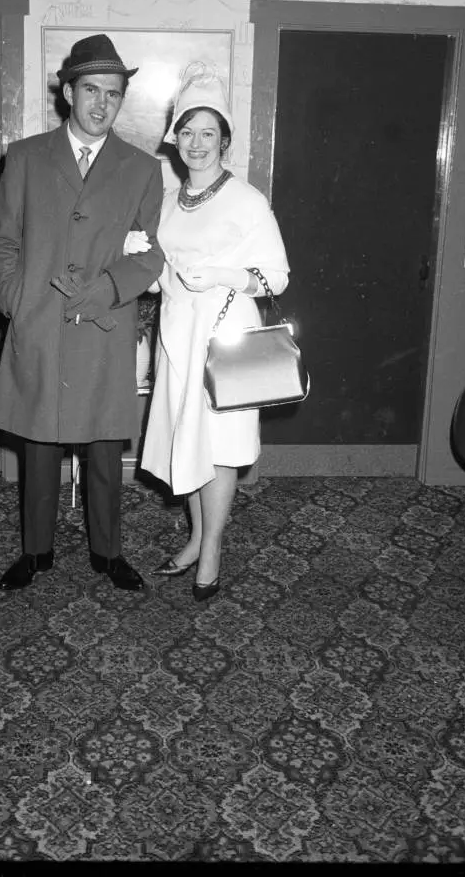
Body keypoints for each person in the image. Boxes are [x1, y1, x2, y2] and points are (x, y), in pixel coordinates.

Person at [0, 33, 165, 592]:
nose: (101, 104)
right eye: (91, 90)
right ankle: (36, 551)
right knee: (39, 444)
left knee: (105, 449)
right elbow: (1, 243)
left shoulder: (141, 168)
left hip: (105, 327)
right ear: (68, 92)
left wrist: (110, 287)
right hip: (38, 322)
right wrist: (18, 298)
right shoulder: (26, 156)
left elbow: (152, 252)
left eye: (113, 94)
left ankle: (107, 553)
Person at [140, 65, 289, 601]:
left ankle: (212, 549)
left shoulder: (246, 201)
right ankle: (196, 534)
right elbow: (165, 283)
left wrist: (226, 275)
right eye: (187, 131)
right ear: (174, 139)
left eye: (208, 133)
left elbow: (276, 276)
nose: (196, 143)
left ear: (224, 140)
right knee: (189, 440)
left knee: (220, 447)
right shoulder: (168, 200)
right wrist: (146, 262)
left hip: (226, 340)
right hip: (179, 337)